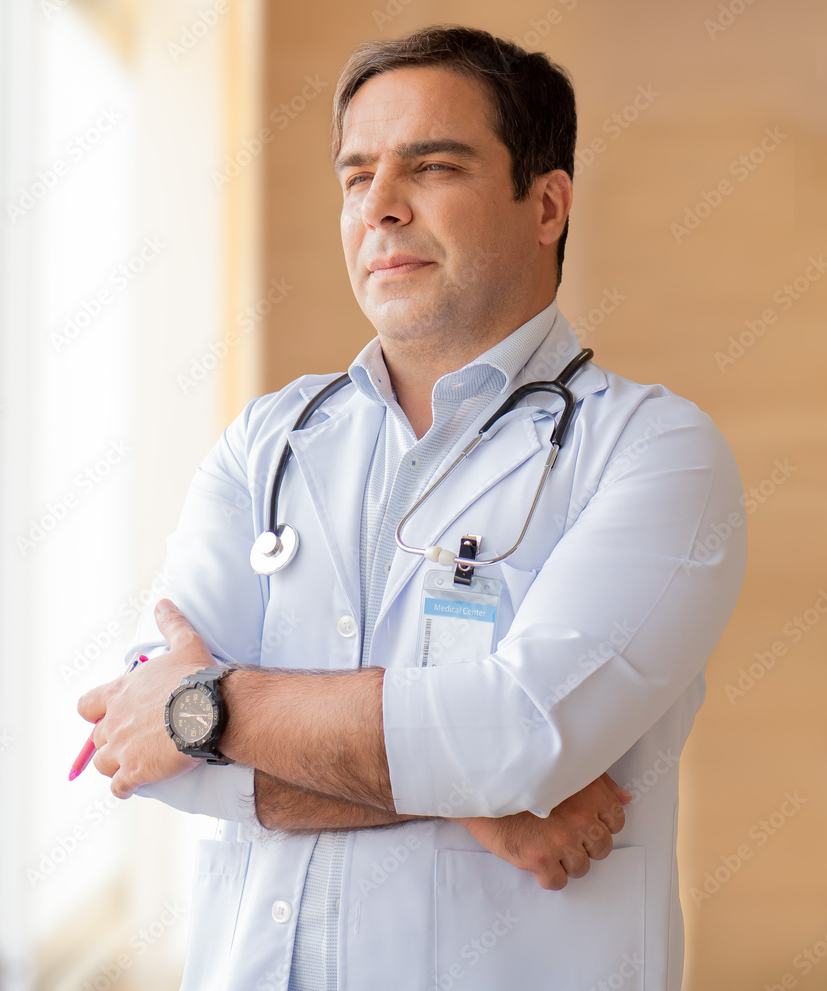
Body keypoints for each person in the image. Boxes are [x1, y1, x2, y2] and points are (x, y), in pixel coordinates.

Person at [77, 24, 746, 991]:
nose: (379, 207)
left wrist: (208, 703)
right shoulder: (268, 440)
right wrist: (472, 799)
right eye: (356, 176)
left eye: (430, 166)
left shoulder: (654, 453)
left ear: (547, 203)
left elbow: (516, 734)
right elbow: (139, 744)